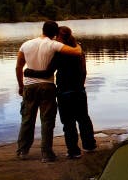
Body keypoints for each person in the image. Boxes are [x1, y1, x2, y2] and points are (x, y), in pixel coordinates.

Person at [15, 20, 82, 162]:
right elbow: (76, 52)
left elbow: (18, 67)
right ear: (54, 33)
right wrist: (77, 44)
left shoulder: (26, 44)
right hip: (47, 86)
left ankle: (22, 150)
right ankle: (46, 154)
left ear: (43, 29)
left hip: (29, 86)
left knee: (27, 119)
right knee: (47, 121)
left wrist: (21, 86)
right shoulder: (53, 44)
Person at [27, 26, 97, 158]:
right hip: (79, 90)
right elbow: (84, 70)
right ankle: (89, 145)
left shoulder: (60, 53)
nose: (54, 38)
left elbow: (48, 72)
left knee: (68, 122)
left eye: (56, 36)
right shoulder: (78, 49)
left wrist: (29, 72)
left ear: (59, 37)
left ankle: (74, 151)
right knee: (83, 118)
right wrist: (81, 85)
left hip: (64, 92)